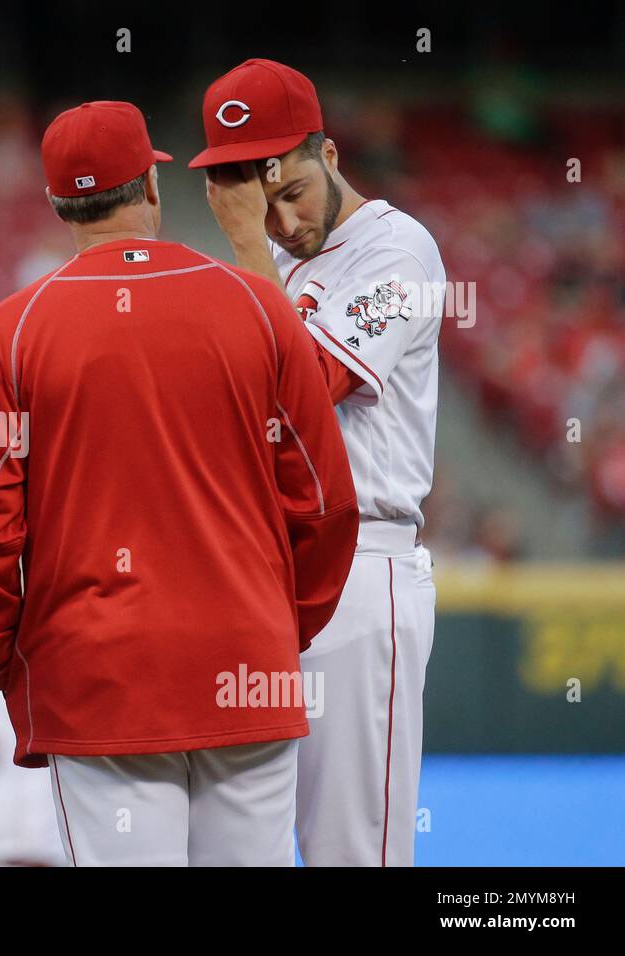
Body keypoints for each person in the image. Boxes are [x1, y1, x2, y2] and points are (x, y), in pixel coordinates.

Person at [0, 101, 358, 866]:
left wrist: (6, 657)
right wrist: (280, 626)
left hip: (97, 674)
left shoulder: (15, 327)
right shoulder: (259, 305)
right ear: (152, 189)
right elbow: (327, 503)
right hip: (246, 665)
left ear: (59, 204)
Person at [191, 58, 445, 866]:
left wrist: (242, 245)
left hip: (364, 565)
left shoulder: (397, 251)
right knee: (247, 840)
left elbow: (311, 384)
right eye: (256, 203)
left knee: (351, 848)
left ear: (329, 154)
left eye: (291, 189)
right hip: (265, 574)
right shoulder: (281, 267)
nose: (279, 218)